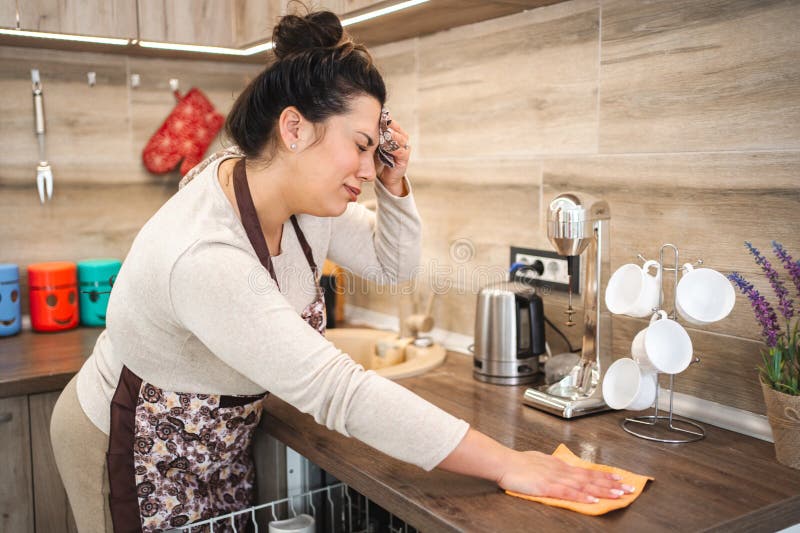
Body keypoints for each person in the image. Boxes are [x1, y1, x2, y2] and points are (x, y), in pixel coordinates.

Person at [50, 9, 630, 533]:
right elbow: (337, 391)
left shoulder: (300, 202)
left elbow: (392, 265)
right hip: (131, 443)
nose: (365, 165)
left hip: (217, 438)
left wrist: (394, 185)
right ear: (295, 128)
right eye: (358, 144)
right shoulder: (206, 252)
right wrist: (507, 463)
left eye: (373, 147)